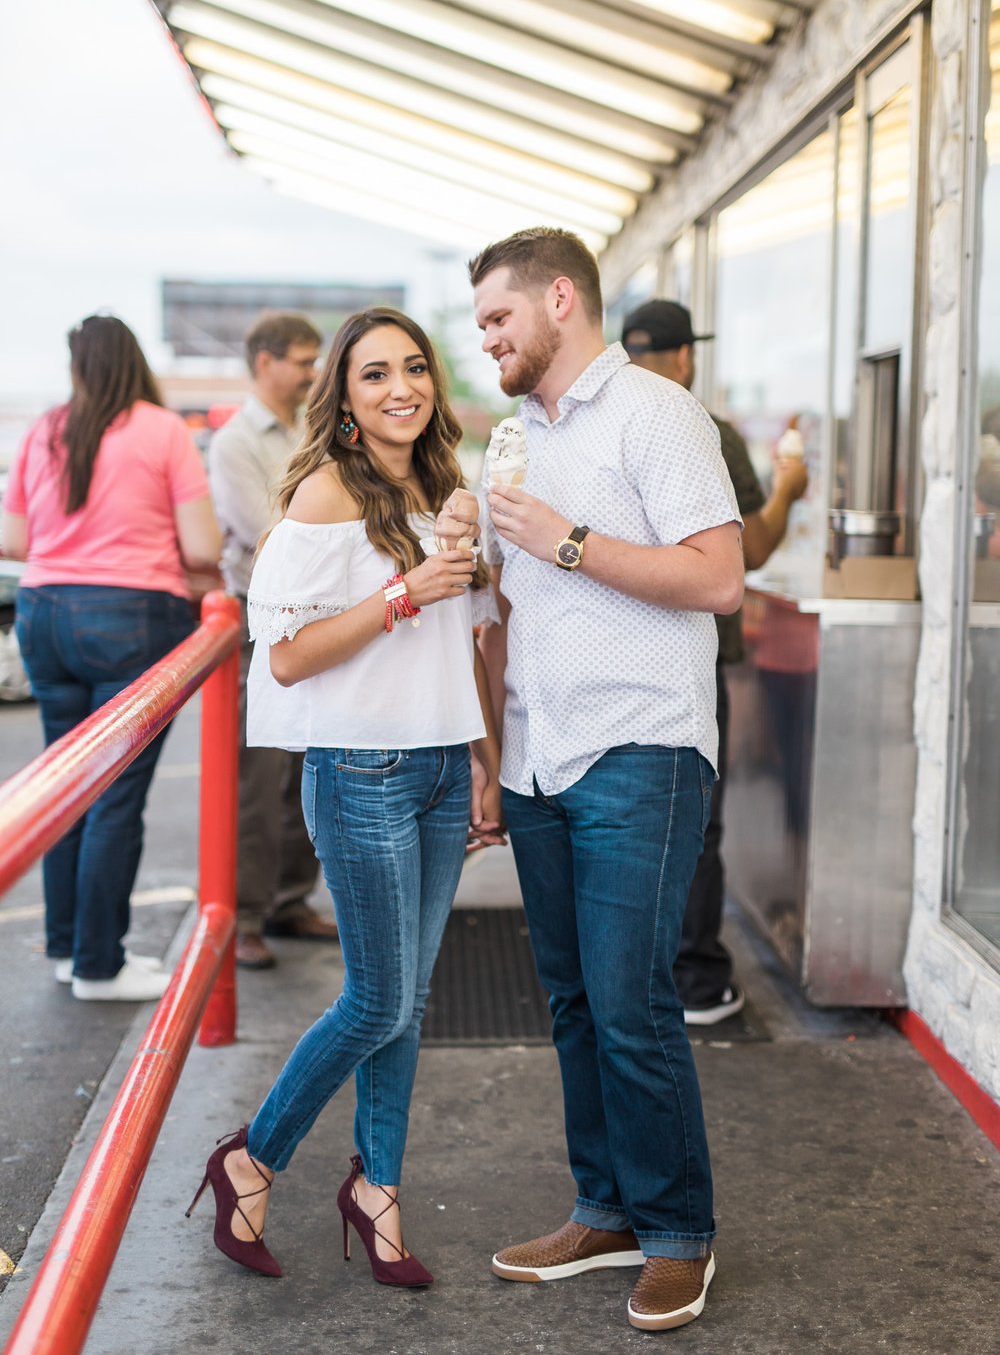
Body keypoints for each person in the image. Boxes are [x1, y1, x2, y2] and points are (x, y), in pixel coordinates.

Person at [187, 308, 503, 1285]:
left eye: (415, 368)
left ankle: (378, 1192)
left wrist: (484, 758)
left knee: (407, 1001)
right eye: (375, 375)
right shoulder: (324, 495)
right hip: (359, 769)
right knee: (375, 999)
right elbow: (281, 658)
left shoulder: (450, 489)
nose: (401, 386)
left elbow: (474, 641)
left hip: (443, 766)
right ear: (347, 401)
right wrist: (405, 593)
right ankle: (253, 1157)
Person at [470, 229, 743, 1333]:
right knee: (576, 1000)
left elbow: (719, 577)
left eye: (497, 317)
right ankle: (607, 1210)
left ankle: (678, 1230)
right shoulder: (511, 432)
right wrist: (491, 754)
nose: (484, 336)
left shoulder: (657, 415)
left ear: (560, 300)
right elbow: (509, 607)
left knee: (632, 1002)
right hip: (540, 752)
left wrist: (566, 539)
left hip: (642, 744)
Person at [1, 314, 221, 1002]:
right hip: (130, 616)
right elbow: (204, 549)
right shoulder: (161, 430)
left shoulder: (44, 429)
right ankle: (101, 963)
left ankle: (69, 949)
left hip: (44, 616)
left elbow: (12, 539)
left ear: (77, 366)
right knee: (114, 796)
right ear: (134, 361)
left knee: (65, 788)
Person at [621, 299, 809, 1024]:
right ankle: (696, 978)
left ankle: (635, 970)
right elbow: (751, 551)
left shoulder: (604, 425)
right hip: (691, 660)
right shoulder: (703, 428)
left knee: (630, 821)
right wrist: (789, 489)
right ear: (686, 357)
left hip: (616, 657)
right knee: (695, 821)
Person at [209, 310, 338, 970]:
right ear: (265, 362)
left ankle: (289, 899)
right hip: (262, 620)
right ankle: (248, 917)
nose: (313, 373)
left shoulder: (304, 429)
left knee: (301, 769)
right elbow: (270, 541)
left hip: (314, 615)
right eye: (303, 360)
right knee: (258, 777)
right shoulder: (235, 442)